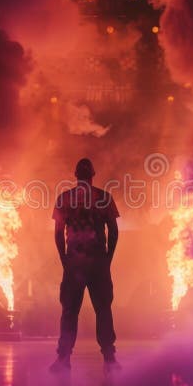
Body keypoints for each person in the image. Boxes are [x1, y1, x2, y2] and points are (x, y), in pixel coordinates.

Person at [49, 158, 120, 373]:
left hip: (74, 264)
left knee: (70, 311)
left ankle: (63, 359)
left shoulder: (65, 198)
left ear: (75, 175)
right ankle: (109, 359)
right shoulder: (103, 198)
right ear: (92, 176)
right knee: (103, 310)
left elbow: (58, 233)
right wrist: (108, 258)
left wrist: (64, 258)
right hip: (98, 262)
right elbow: (114, 231)